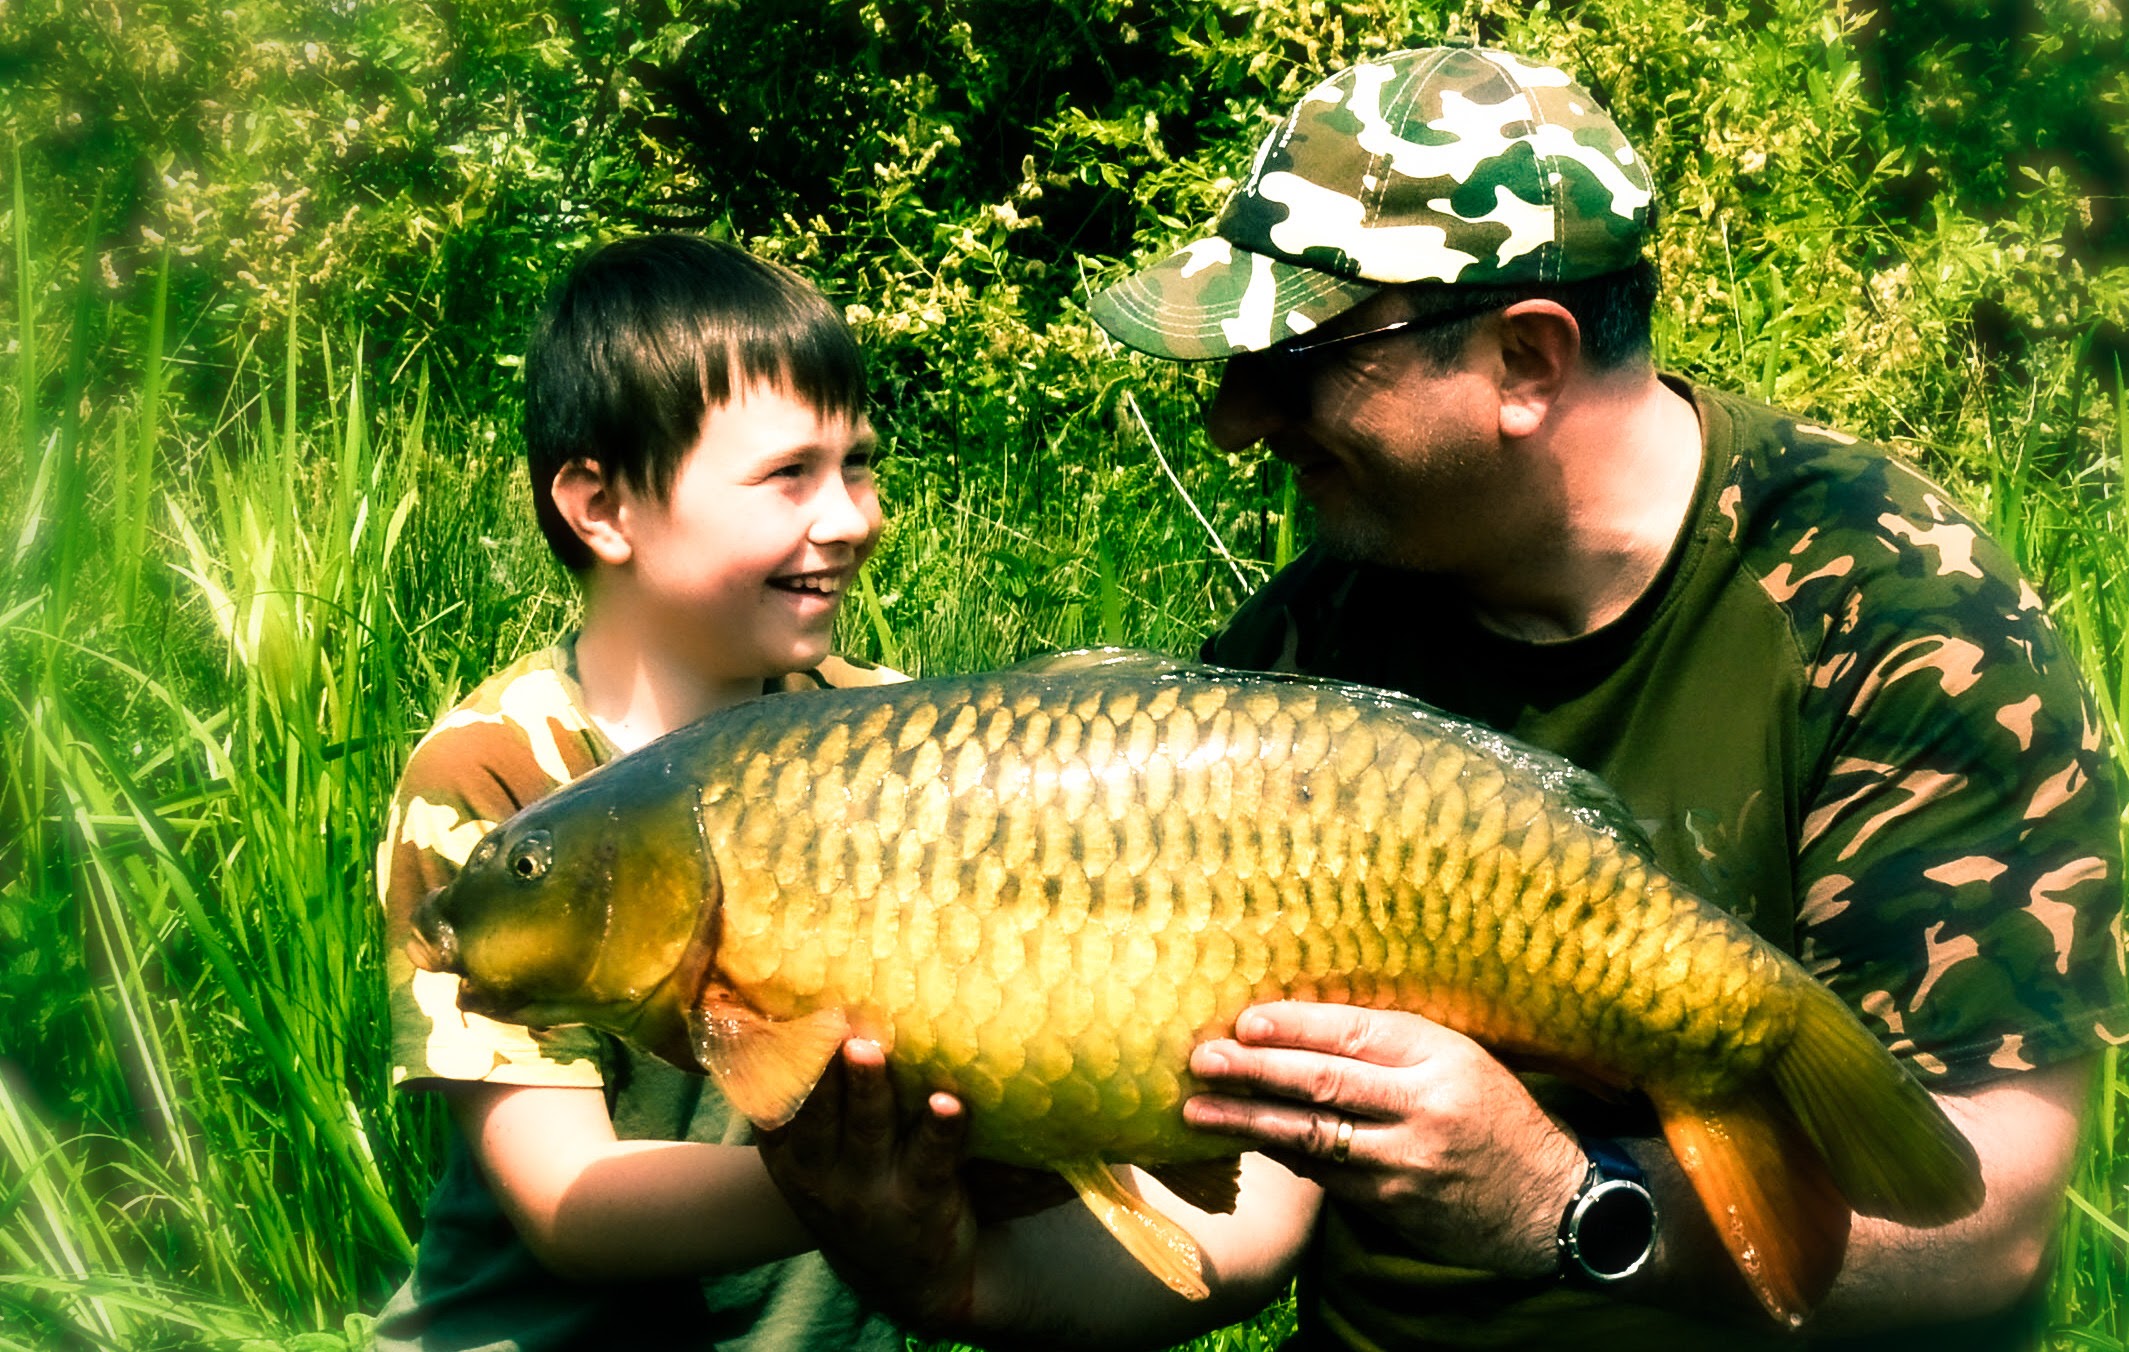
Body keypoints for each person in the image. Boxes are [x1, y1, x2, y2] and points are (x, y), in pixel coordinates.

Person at [757, 46, 2128, 1349]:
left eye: (1296, 362)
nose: (1238, 420)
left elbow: (1985, 1223)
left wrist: (1565, 1202)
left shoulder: (1893, 611)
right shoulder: (1313, 649)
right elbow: (1242, 1226)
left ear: (1524, 362)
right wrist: (942, 1271)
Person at [371, 233, 904, 1350]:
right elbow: (570, 1200)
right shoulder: (493, 774)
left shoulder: (890, 735)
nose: (851, 515)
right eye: (788, 474)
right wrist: (883, 1188)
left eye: (855, 463)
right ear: (600, 506)